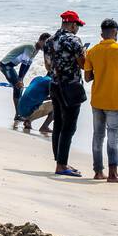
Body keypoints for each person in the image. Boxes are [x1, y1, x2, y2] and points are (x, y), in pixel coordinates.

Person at [83, 18, 118, 183]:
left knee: (98, 136)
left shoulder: (92, 51)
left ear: (101, 33)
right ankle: (112, 173)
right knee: (113, 137)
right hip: (114, 101)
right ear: (115, 32)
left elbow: (88, 77)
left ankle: (98, 171)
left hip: (97, 100)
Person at [42, 10, 87, 176]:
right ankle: (61, 165)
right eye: (78, 26)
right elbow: (83, 64)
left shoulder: (49, 41)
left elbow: (47, 66)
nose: (78, 29)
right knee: (69, 127)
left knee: (59, 124)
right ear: (73, 25)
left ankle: (60, 161)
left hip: (54, 84)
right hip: (71, 86)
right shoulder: (74, 40)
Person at [0, 33, 50, 123]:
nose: (47, 46)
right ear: (41, 40)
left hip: (10, 66)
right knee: (18, 87)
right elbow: (23, 63)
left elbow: (27, 65)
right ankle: (18, 114)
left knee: (19, 87)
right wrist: (19, 80)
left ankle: (18, 114)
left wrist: (21, 79)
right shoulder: (31, 47)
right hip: (5, 65)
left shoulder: (36, 50)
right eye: (46, 43)